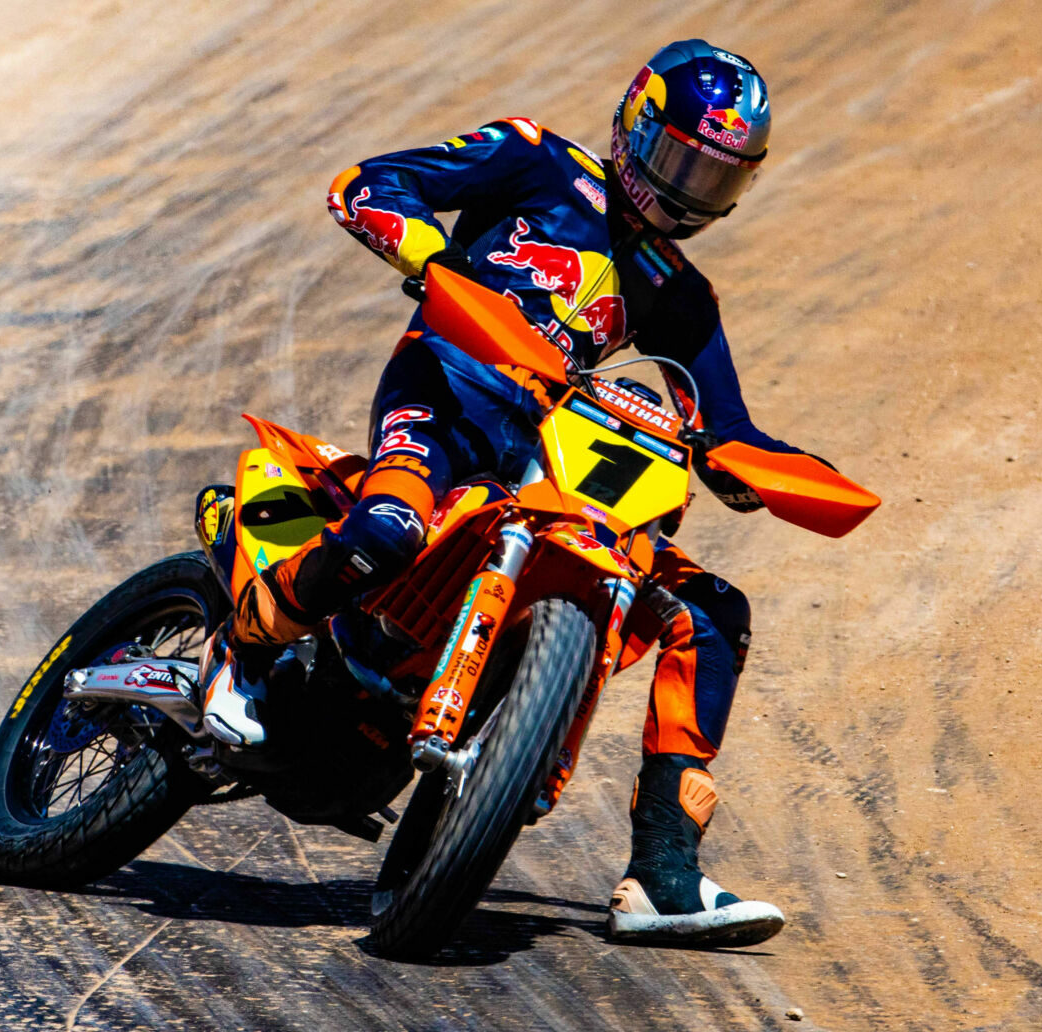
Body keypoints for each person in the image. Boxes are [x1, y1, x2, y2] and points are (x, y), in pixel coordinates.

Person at [205, 40, 834, 947]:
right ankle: (243, 653)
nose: (690, 190)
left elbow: (724, 421)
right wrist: (431, 261)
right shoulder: (537, 159)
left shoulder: (679, 294)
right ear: (634, 125)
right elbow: (371, 183)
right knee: (386, 528)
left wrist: (760, 470)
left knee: (714, 611)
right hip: (443, 397)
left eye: (716, 176)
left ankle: (663, 875)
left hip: (542, 462)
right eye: (678, 160)